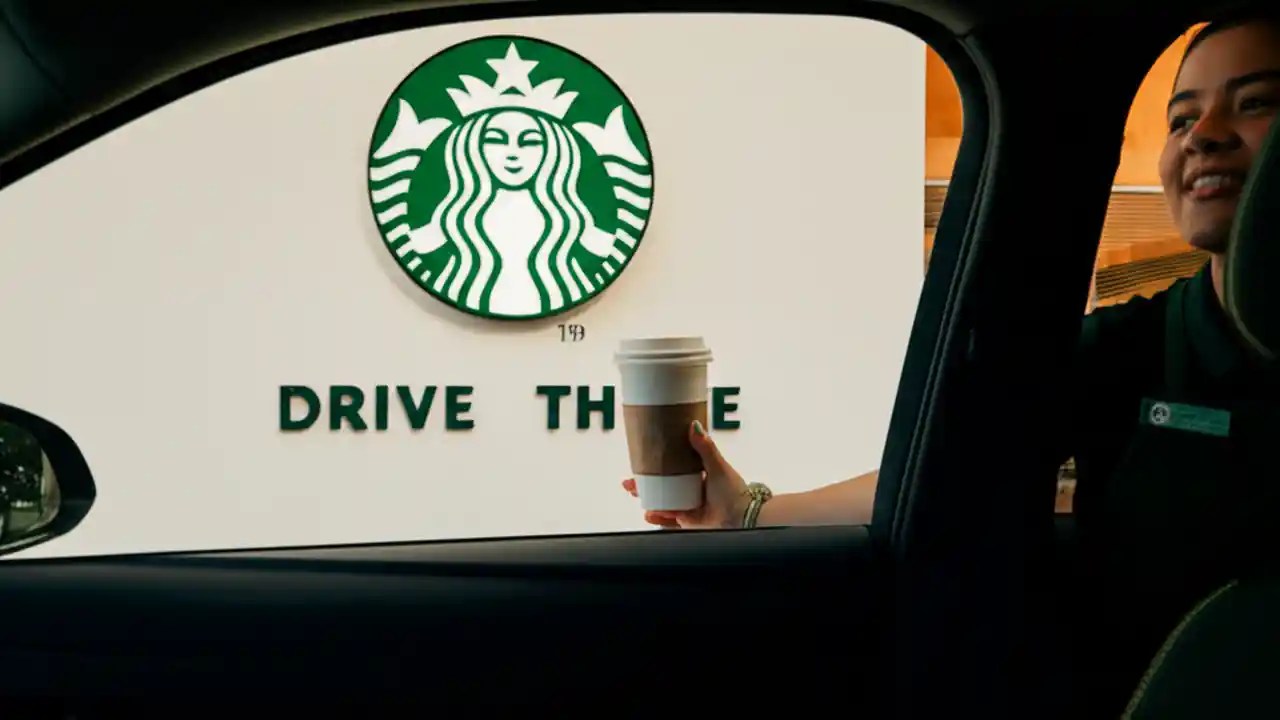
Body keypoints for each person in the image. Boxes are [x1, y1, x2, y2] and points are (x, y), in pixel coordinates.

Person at [622, 11, 1280, 716]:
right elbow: (946, 477)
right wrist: (750, 511)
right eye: (1180, 119)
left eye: (1255, 104)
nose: (1203, 134)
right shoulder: (1129, 348)